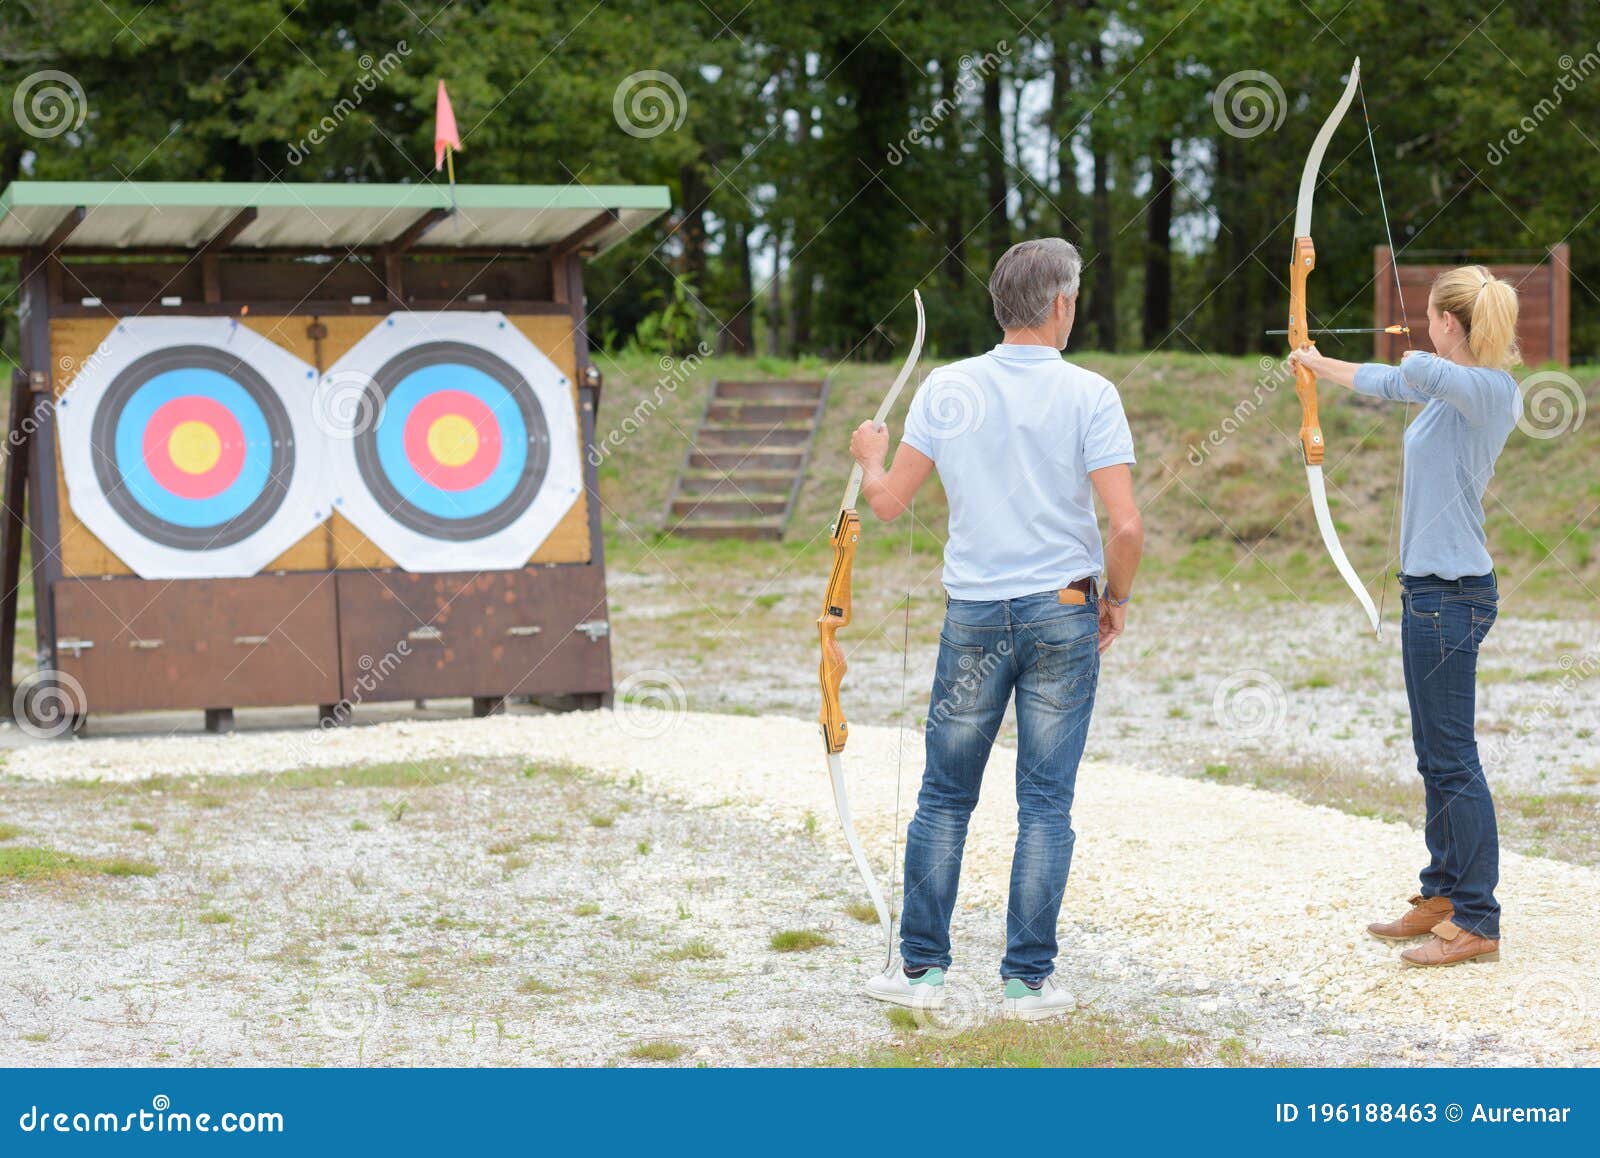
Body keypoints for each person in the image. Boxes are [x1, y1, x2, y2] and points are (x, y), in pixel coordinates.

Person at [854, 238, 1143, 1019]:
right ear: (1058, 306)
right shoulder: (1091, 392)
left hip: (976, 615)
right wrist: (1116, 600)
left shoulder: (947, 388)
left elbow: (883, 504)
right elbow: (1125, 526)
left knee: (945, 797)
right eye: (1074, 300)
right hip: (1065, 611)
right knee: (1045, 803)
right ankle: (1026, 983)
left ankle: (921, 975)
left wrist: (869, 455)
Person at [1289, 266, 1522, 968]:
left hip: (1453, 595)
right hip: (1429, 592)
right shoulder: (1448, 390)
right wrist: (1312, 361)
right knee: (1436, 754)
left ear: (1453, 323)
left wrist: (1417, 356)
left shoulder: (1490, 389)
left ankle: (1478, 916)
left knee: (1454, 759)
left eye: (1430, 316)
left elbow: (1418, 369)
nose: (1421, 328)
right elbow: (1394, 381)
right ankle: (1444, 895)